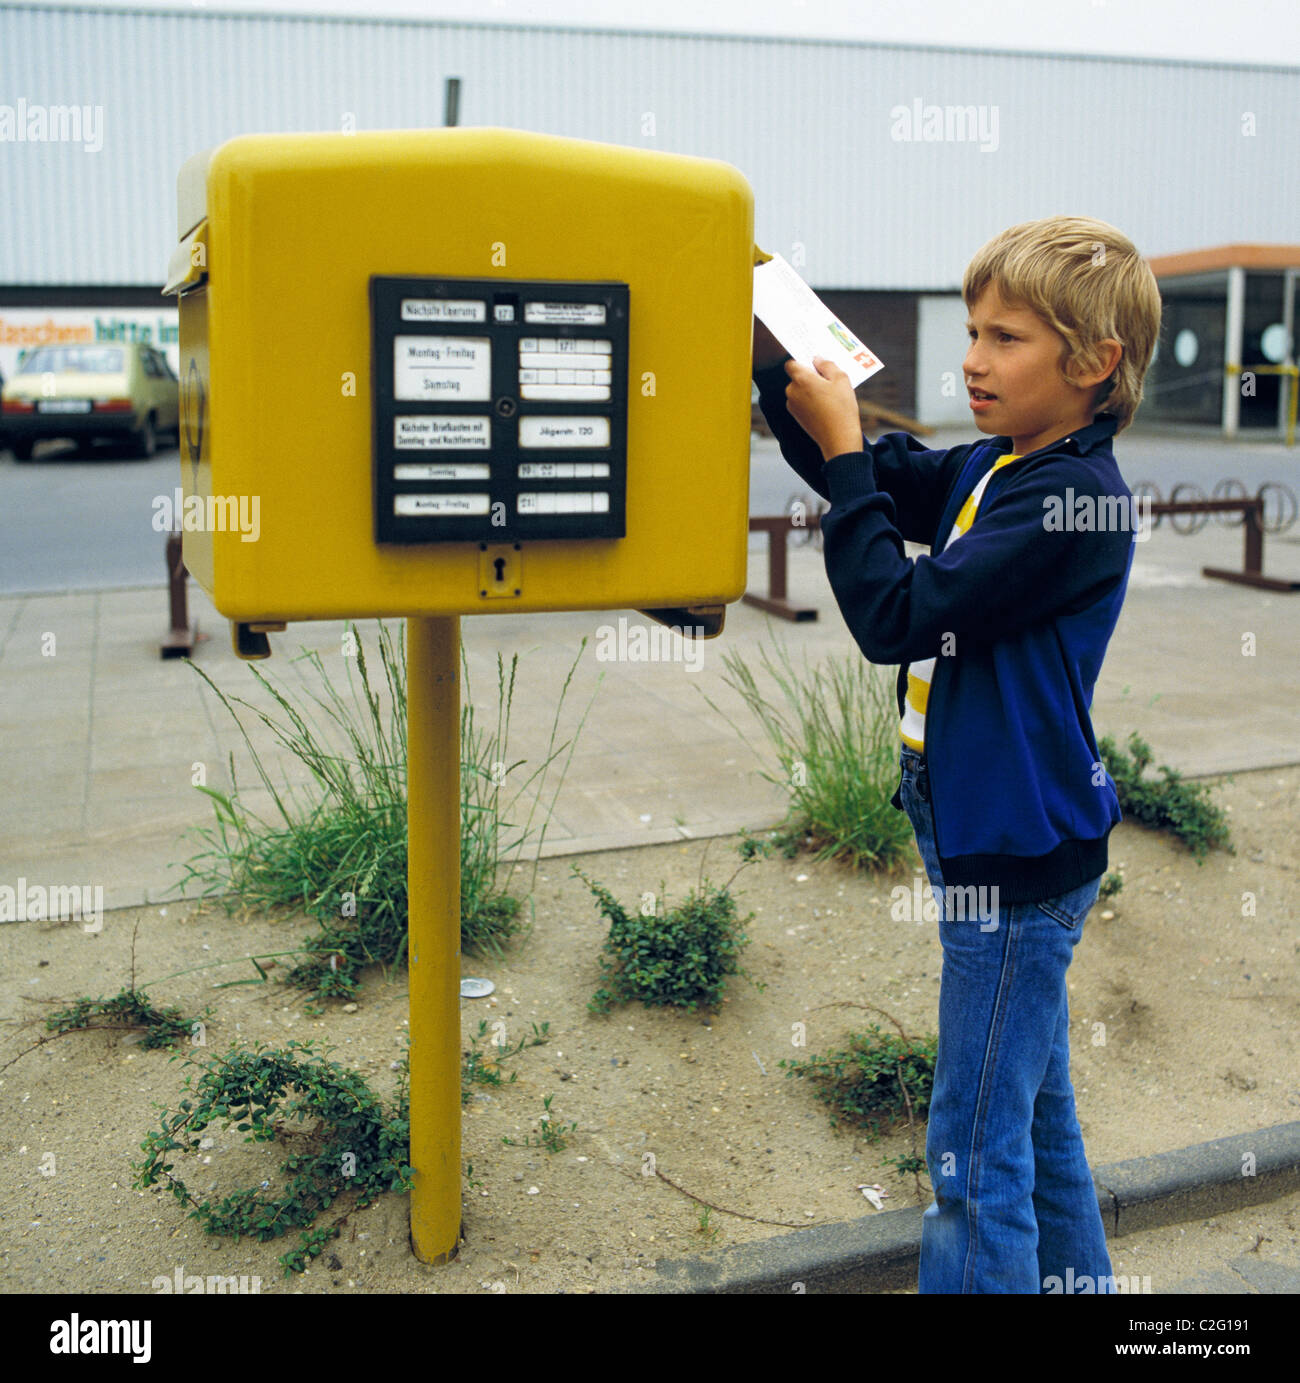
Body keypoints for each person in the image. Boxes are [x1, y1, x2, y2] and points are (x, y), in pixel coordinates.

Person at [752, 216, 1163, 1294]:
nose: (972, 360)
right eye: (972, 331)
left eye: (1006, 340)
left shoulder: (1073, 504)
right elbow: (877, 476)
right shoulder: (1001, 464)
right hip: (992, 837)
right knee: (1032, 1121)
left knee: (970, 1154)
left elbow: (899, 610)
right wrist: (781, 368)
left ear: (1093, 364)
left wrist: (844, 455)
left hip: (1013, 860)